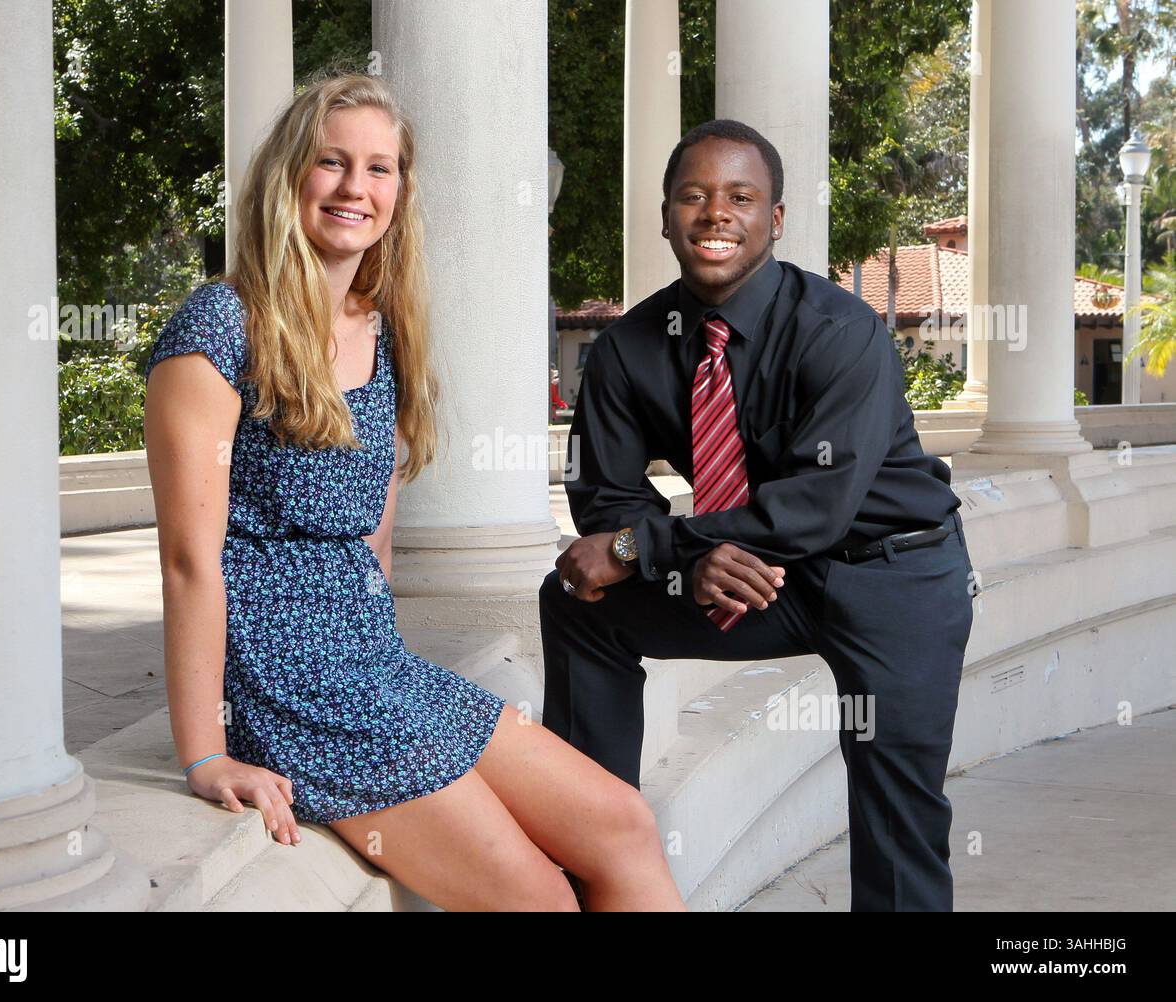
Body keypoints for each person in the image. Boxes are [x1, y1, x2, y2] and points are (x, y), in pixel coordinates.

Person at [143, 71, 685, 912]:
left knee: (623, 824)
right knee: (537, 898)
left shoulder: (383, 328)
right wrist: (204, 753)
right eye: (331, 162)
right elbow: (188, 563)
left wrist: (387, 680)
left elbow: (376, 541)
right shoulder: (217, 330)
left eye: (380, 168)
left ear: (401, 188)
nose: (356, 187)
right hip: (287, 689)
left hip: (375, 669)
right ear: (290, 174)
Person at [542, 119, 976, 911]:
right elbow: (607, 506)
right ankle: (601, 861)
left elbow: (814, 508)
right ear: (666, 214)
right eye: (694, 196)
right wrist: (682, 559)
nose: (716, 214)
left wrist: (655, 543)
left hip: (894, 574)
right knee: (578, 597)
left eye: (741, 197)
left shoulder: (841, 332)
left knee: (897, 814)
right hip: (753, 579)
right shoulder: (628, 350)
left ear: (774, 219)